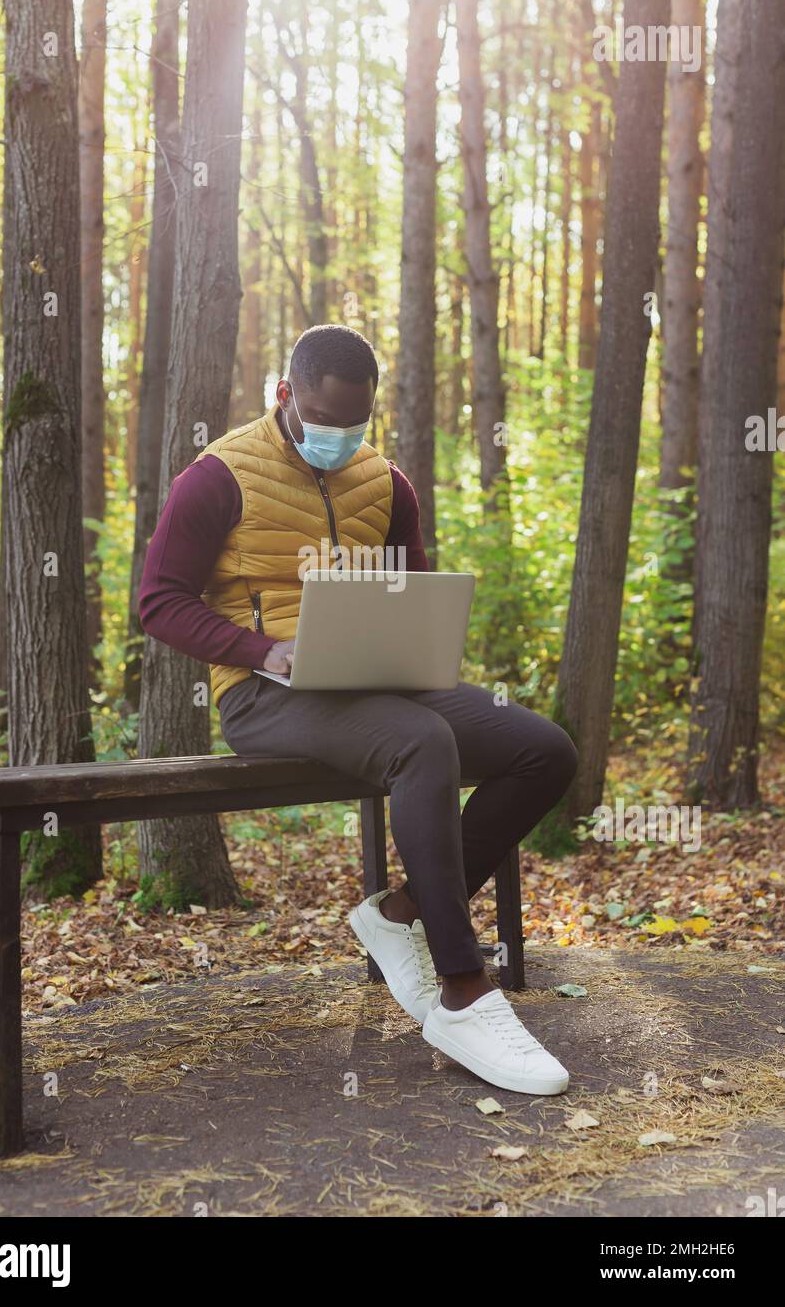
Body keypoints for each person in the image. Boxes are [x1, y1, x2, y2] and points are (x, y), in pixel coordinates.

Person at [139, 323, 578, 1095]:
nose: (338, 440)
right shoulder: (218, 477)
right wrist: (260, 650)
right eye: (322, 423)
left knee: (545, 750)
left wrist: (420, 649)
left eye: (355, 426)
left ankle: (401, 911)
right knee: (422, 743)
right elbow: (158, 602)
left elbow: (412, 594)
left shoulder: (387, 483)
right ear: (285, 396)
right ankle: (463, 992)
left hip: (381, 684)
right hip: (266, 697)